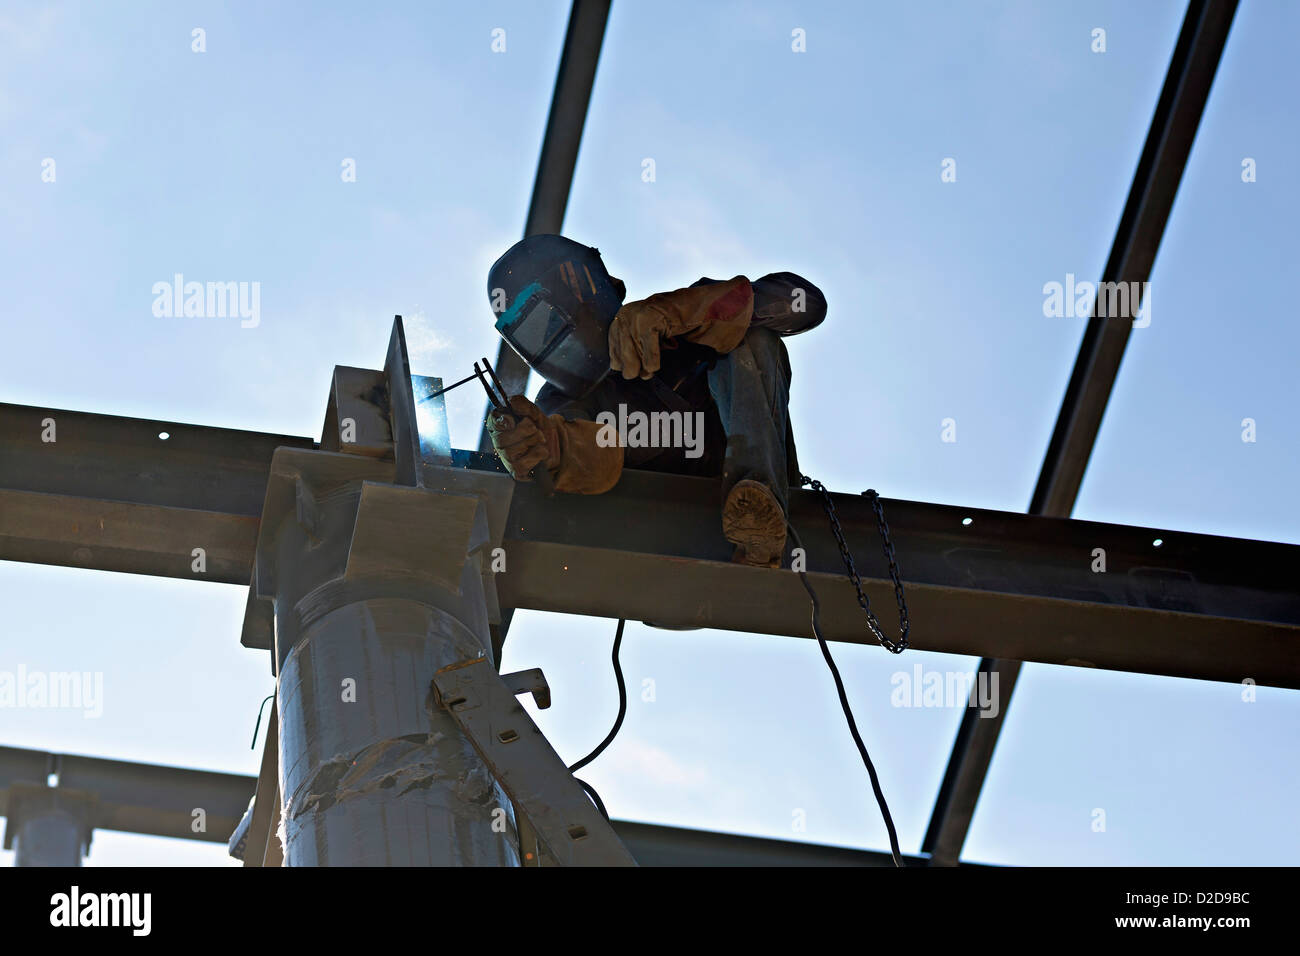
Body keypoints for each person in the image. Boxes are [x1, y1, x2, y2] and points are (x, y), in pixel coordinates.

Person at [485, 234, 824, 568]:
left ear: (595, 285)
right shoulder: (561, 400)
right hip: (666, 552)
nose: (556, 334)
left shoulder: (682, 322)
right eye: (534, 330)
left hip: (760, 509)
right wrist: (543, 448)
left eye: (551, 317)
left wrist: (684, 313)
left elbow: (806, 303)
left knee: (751, 337)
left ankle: (757, 504)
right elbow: (581, 451)